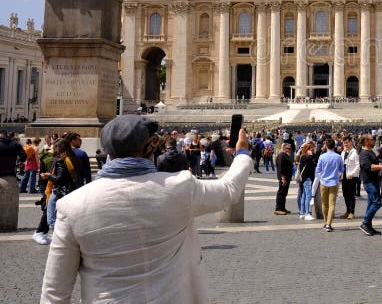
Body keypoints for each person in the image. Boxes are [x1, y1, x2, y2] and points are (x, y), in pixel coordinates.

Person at [40, 115, 252, 303]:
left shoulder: (72, 205)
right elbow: (229, 190)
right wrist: (242, 152)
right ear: (150, 147)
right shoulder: (180, 187)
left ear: (107, 151)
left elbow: (54, 293)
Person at [358, 133, 382, 236]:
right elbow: (368, 167)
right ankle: (364, 223)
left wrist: (381, 164)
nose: (374, 140)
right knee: (377, 202)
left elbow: (374, 164)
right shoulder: (363, 153)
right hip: (369, 182)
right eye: (372, 139)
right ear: (366, 141)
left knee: (370, 203)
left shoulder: (370, 152)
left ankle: (368, 226)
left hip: (374, 181)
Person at [315, 137, 344, 232]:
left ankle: (325, 222)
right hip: (334, 182)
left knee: (324, 204)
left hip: (324, 182)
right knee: (332, 204)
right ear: (334, 146)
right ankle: (329, 224)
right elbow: (342, 169)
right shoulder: (338, 157)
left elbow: (318, 170)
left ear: (326, 146)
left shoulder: (322, 157)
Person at [340, 135, 360, 219]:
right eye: (344, 143)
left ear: (351, 142)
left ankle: (352, 212)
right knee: (345, 194)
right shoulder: (343, 152)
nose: (345, 144)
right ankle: (347, 211)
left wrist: (352, 174)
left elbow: (358, 165)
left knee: (351, 195)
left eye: (347, 142)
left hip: (351, 177)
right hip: (344, 176)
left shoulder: (355, 152)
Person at [296, 141, 316, 220]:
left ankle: (302, 213)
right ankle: (307, 213)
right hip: (306, 178)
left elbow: (313, 164)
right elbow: (311, 162)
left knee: (304, 195)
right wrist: (311, 155)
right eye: (311, 149)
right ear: (307, 149)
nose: (312, 150)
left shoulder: (304, 156)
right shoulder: (305, 157)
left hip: (306, 178)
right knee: (308, 195)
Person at [274, 140, 293, 215]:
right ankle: (278, 208)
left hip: (287, 177)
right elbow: (280, 167)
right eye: (288, 148)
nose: (289, 150)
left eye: (290, 149)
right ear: (284, 148)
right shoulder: (282, 155)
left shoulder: (286, 155)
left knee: (284, 193)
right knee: (281, 193)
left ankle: (282, 208)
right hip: (283, 177)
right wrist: (283, 178)